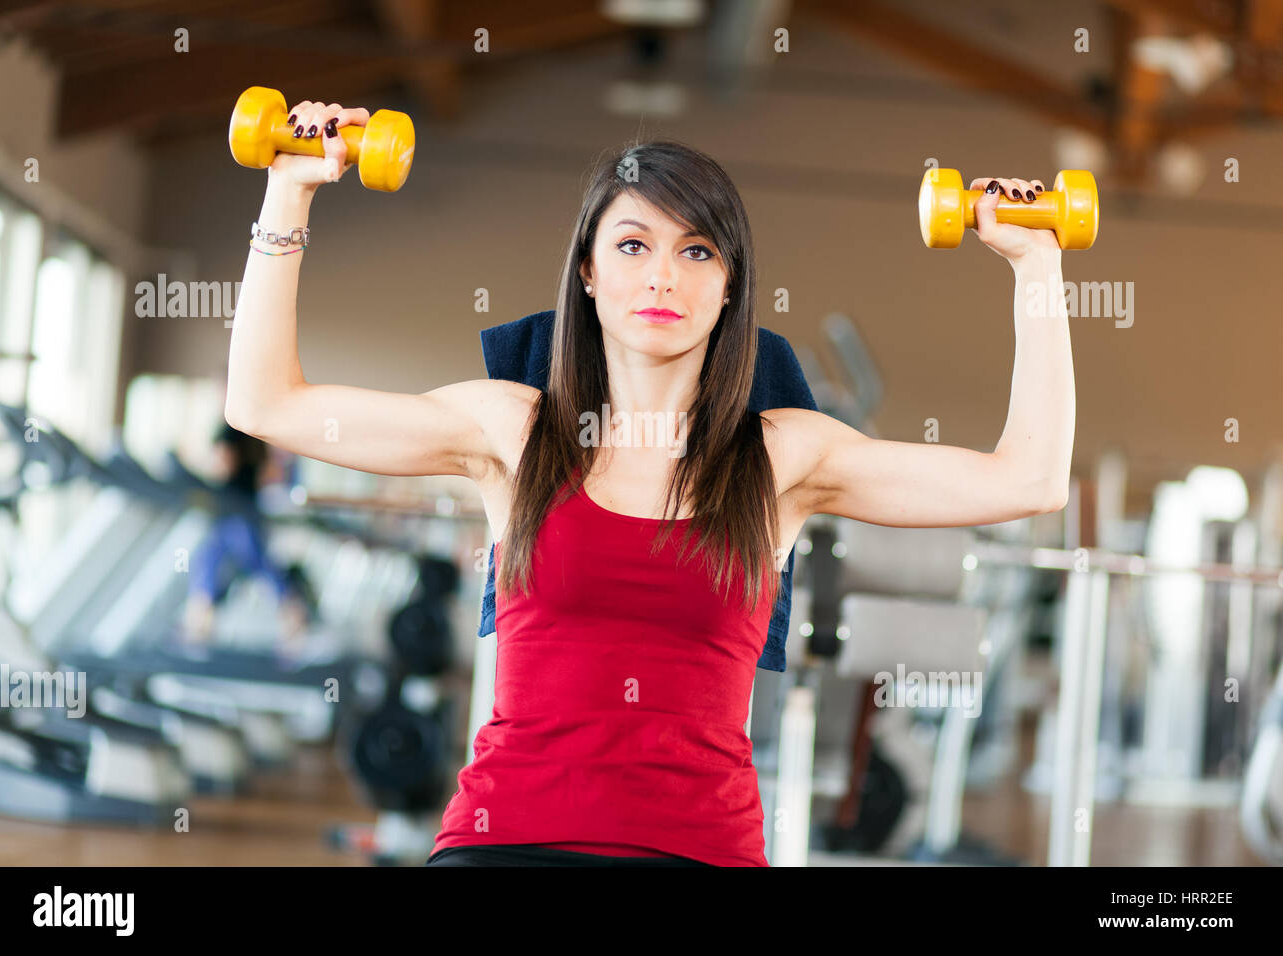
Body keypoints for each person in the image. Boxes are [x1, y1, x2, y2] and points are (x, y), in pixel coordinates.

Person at [223, 100, 1075, 866]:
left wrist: (1036, 266)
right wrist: (288, 192)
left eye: (696, 250)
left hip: (700, 854)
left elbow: (1029, 480)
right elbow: (267, 404)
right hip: (508, 842)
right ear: (588, 273)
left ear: (730, 282)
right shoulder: (511, 433)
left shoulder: (784, 459)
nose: (663, 275)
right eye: (633, 245)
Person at [180, 422, 309, 651]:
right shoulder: (255, 431)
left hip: (235, 510)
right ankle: (290, 610)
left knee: (235, 558)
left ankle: (201, 616)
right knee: (235, 559)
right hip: (244, 508)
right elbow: (265, 470)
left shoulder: (231, 431)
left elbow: (223, 466)